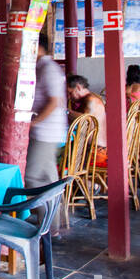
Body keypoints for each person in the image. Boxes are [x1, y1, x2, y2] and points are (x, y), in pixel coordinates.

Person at [26, 34, 66, 189]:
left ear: (37, 47)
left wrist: (34, 122)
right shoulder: (41, 67)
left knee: (31, 175)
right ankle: (56, 205)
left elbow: (54, 101)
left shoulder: (49, 68)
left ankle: (45, 205)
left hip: (45, 131)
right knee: (48, 177)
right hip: (45, 131)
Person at [67, 74, 107, 169]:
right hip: (95, 148)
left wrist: (65, 111)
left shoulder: (91, 100)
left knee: (61, 156)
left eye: (70, 93)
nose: (69, 97)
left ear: (78, 87)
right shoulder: (91, 99)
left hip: (95, 152)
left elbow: (85, 120)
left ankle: (73, 176)